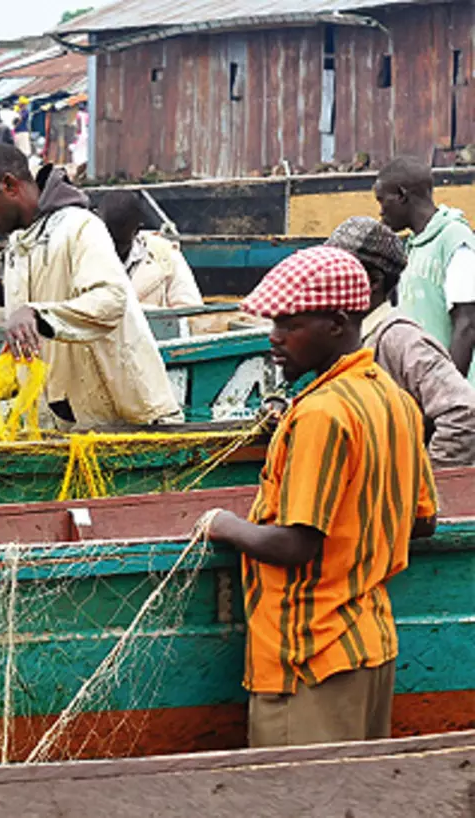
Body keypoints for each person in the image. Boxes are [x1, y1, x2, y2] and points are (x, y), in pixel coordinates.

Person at [206, 246, 437, 748]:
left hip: (308, 656)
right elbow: (422, 522)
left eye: (289, 324)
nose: (274, 337)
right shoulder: (394, 400)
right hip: (369, 647)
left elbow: (296, 546)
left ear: (337, 322)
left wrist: (223, 523)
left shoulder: (321, 414)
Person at [0, 144, 181, 427]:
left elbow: (110, 299)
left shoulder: (79, 227)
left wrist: (37, 315)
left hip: (130, 421)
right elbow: (32, 344)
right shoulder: (17, 249)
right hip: (69, 428)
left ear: (9, 185)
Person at [325, 216, 475, 468]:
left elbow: (463, 413)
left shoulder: (400, 339)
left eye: (338, 274)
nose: (327, 283)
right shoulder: (352, 339)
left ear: (373, 281)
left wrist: (426, 484)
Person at [374, 156, 475, 381]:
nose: (381, 212)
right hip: (424, 390)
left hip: (456, 402)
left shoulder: (455, 239)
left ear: (401, 195)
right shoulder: (413, 246)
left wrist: (449, 396)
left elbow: (467, 324)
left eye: (382, 201)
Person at [97, 190, 203, 309]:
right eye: (107, 239)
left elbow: (190, 311)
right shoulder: (80, 256)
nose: (113, 248)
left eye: (120, 243)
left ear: (137, 230)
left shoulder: (165, 256)